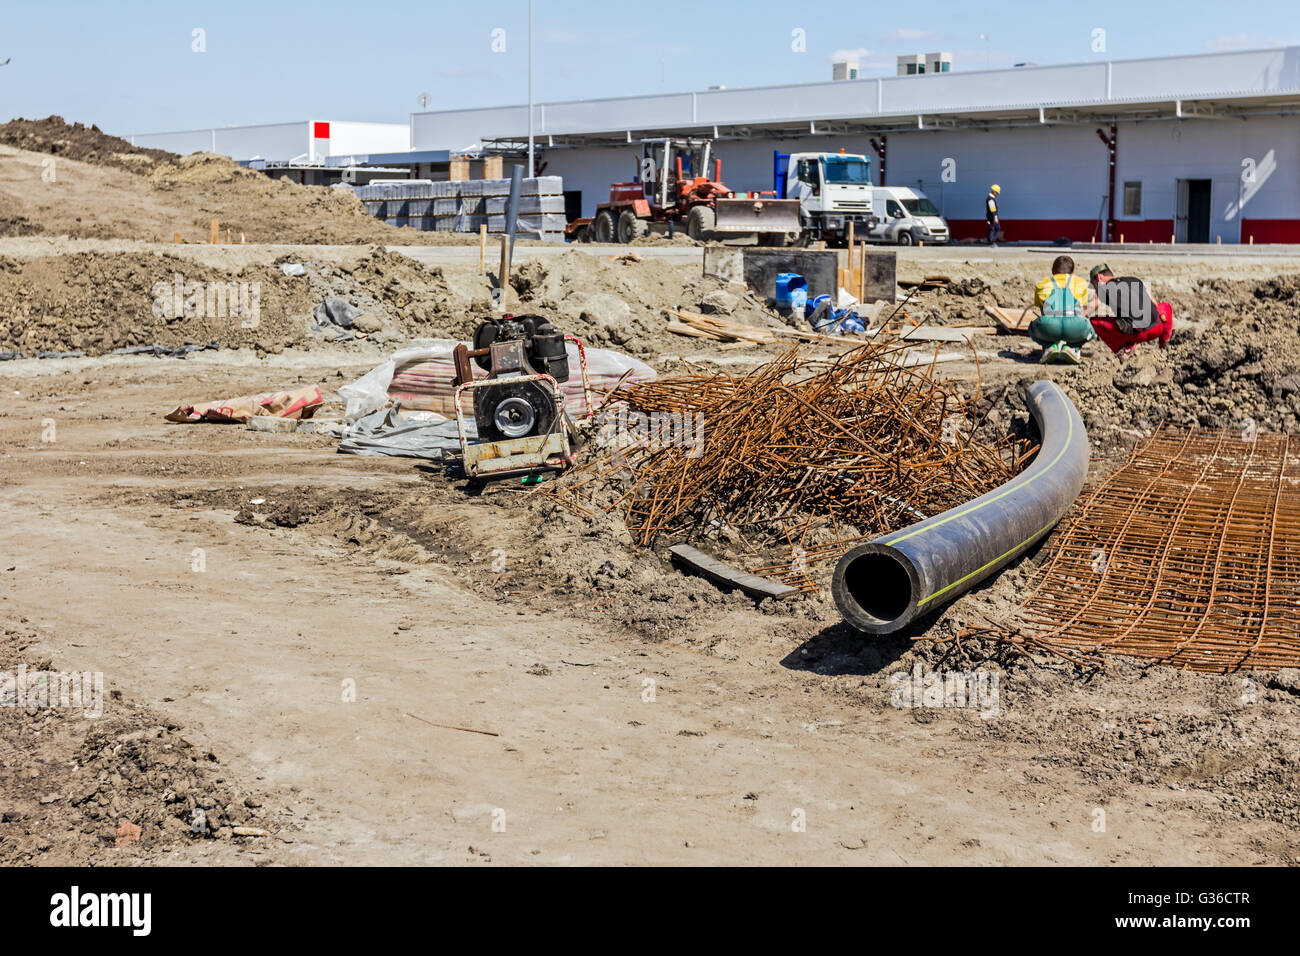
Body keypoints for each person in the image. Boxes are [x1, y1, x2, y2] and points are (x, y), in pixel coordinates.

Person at [1086, 263, 1174, 355]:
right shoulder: (1134, 279)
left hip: (1136, 334)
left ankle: (1123, 350)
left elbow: (1091, 306)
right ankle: (1164, 343)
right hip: (1157, 327)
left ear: (1099, 277)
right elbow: (1155, 303)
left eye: (1093, 284)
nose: (1094, 287)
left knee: (1095, 321)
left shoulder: (1102, 288)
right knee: (1165, 306)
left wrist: (1079, 316)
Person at [1029, 255, 1094, 364]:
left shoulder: (1041, 285)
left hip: (1050, 325)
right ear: (1073, 272)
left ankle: (1049, 347)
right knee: (1091, 330)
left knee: (1032, 328)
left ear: (1052, 271)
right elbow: (1082, 313)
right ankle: (1073, 347)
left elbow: (1043, 312)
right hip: (1074, 326)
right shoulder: (1081, 284)